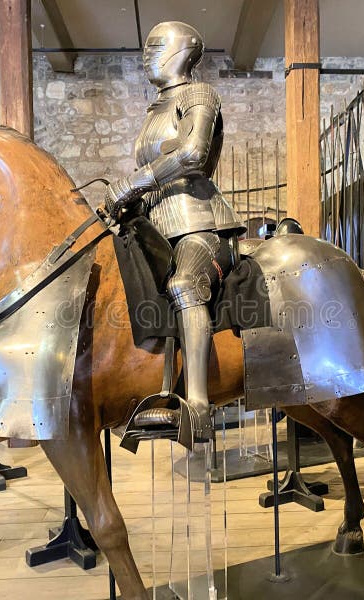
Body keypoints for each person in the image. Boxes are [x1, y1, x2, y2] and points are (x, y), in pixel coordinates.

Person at [104, 21, 244, 443]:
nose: (148, 53)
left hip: (198, 222)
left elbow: (192, 154)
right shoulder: (154, 111)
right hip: (156, 225)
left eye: (158, 45)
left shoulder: (198, 95)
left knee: (184, 285)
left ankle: (199, 408)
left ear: (183, 51)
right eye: (147, 47)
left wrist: (133, 182)